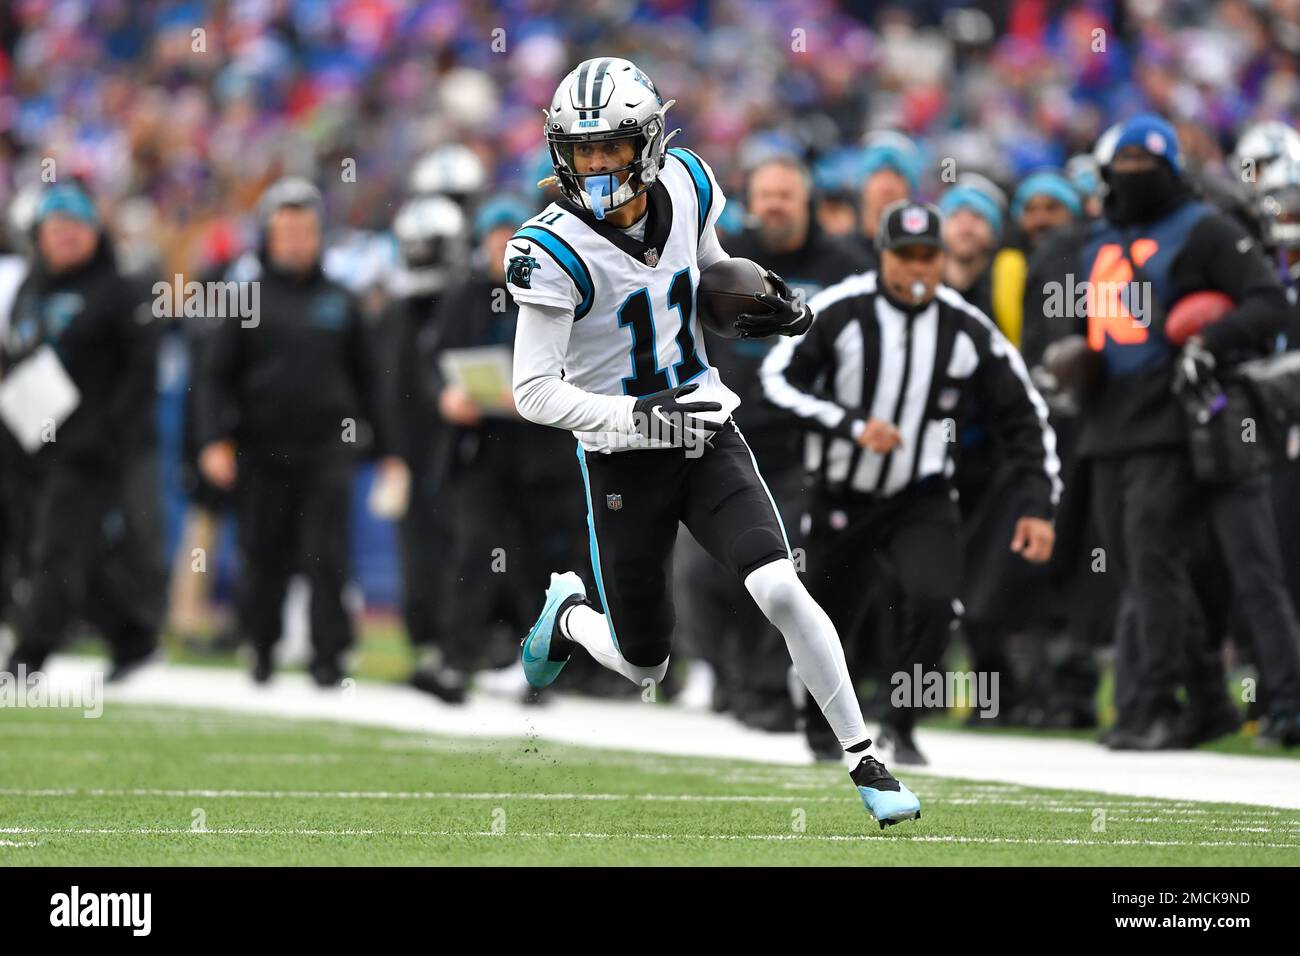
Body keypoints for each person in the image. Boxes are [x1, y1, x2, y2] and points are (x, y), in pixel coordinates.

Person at [504, 57, 920, 827]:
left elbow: (705, 275)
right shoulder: (549, 246)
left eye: (612, 147)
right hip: (623, 456)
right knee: (644, 661)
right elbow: (531, 393)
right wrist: (637, 416)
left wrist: (763, 304)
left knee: (780, 586)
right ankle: (567, 616)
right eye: (583, 149)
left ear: (650, 143)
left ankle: (864, 756)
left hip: (703, 428)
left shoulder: (690, 185)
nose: (597, 164)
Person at [761, 199, 1060, 764]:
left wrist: (1038, 506)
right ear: (884, 257)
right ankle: (823, 724)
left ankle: (902, 723)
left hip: (919, 494)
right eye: (907, 256)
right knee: (826, 616)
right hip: (840, 493)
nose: (918, 268)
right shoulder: (839, 309)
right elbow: (776, 380)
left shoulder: (968, 328)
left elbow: (1025, 416)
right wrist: (850, 425)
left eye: (929, 257)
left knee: (936, 598)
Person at [1063, 115, 1289, 749]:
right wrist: (1069, 355)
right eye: (1122, 169)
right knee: (1139, 571)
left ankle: (1159, 703)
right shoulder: (1095, 242)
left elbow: (1269, 300)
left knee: (1157, 565)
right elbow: (1096, 331)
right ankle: (1206, 702)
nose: (1133, 179)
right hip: (1107, 420)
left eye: (1146, 168)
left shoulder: (1205, 229)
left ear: (1171, 173)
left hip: (1171, 419)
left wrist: (1209, 342)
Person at [681, 153, 870, 731]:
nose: (776, 206)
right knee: (702, 570)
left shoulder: (844, 264)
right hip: (722, 430)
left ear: (806, 199)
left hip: (801, 444)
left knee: (778, 570)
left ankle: (767, 689)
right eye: (766, 195)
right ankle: (725, 674)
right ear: (750, 199)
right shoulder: (719, 255)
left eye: (786, 194)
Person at [193, 177, 405, 686]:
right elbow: (211, 380)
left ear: (318, 236)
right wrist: (211, 441)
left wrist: (390, 452)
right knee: (262, 551)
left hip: (328, 446)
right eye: (285, 232)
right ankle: (260, 648)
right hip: (261, 447)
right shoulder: (245, 300)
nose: (294, 242)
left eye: (303, 231)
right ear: (269, 236)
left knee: (326, 553)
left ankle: (328, 656)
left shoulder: (342, 301)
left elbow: (371, 381)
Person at [1, 182, 164, 679]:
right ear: (40, 236)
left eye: (76, 227)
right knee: (76, 551)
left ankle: (28, 656)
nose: (66, 236)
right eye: (56, 228)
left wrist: (110, 435)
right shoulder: (31, 287)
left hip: (88, 448)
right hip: (28, 442)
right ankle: (131, 637)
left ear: (95, 232)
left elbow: (141, 372)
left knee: (56, 545)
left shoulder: (117, 292)